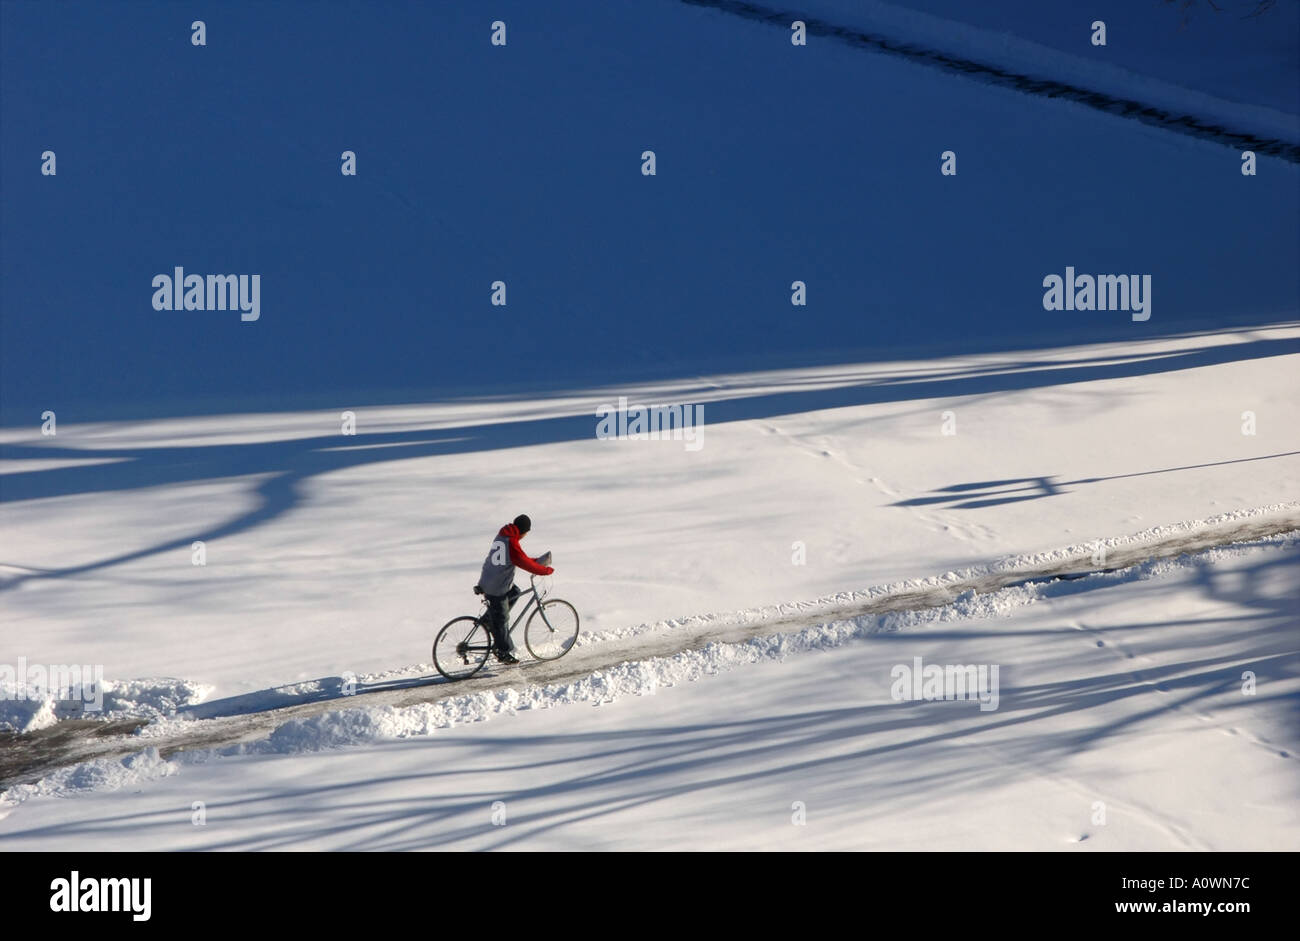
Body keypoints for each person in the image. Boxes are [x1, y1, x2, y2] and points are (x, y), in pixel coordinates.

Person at [477, 514, 554, 664]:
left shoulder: (503, 536)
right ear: (523, 531)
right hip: (496, 587)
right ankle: (503, 652)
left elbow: (520, 558)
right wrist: (545, 571)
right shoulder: (511, 542)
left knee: (515, 591)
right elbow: (522, 561)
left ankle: (488, 619)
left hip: (488, 579)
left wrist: (537, 562)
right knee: (502, 619)